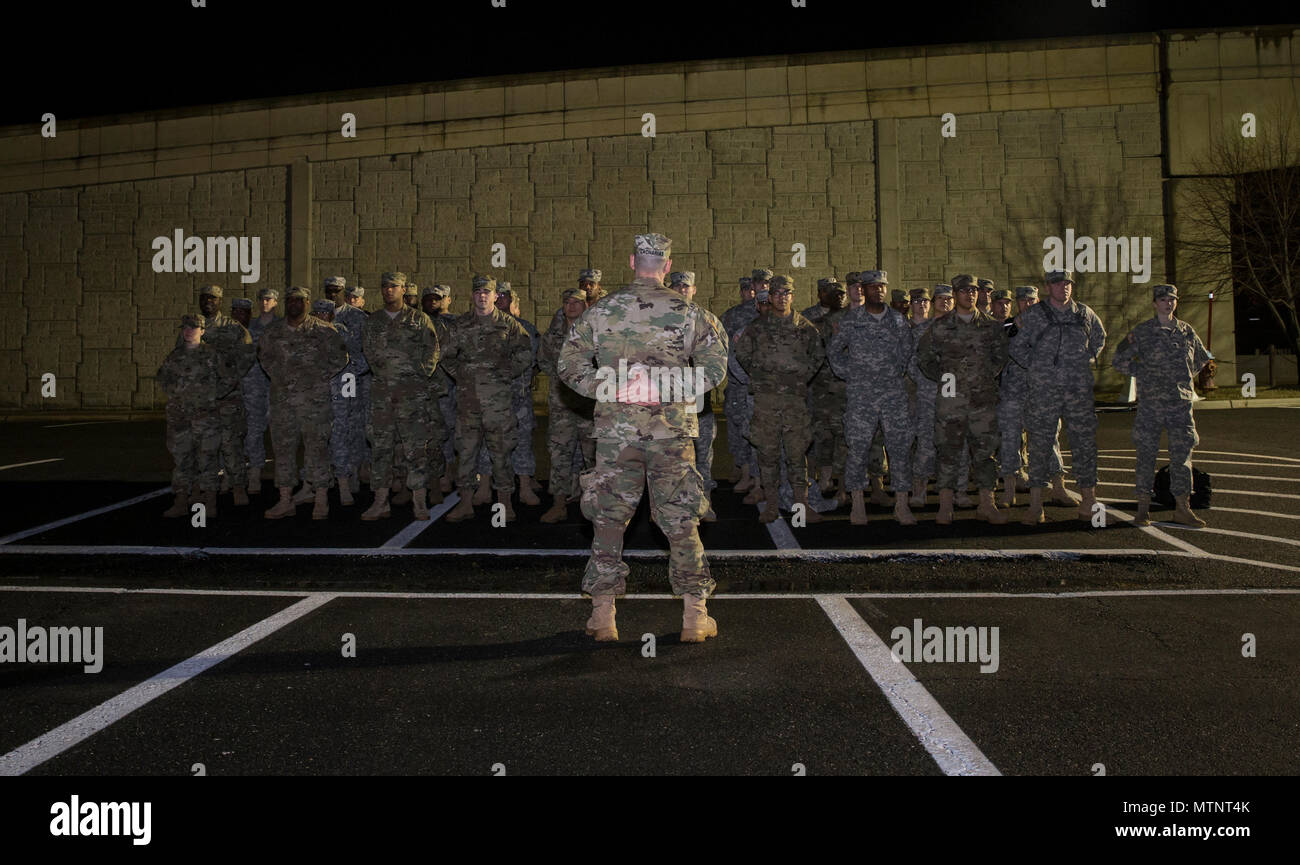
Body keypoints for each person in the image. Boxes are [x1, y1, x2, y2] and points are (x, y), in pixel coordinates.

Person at [557, 233, 728, 643]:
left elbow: (567, 363)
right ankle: (694, 615)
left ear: (633, 261)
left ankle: (602, 616)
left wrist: (612, 385)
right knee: (681, 521)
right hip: (670, 434)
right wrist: (664, 389)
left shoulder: (603, 311)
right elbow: (715, 367)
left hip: (618, 435)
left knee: (609, 520)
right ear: (667, 266)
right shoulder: (691, 312)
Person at [1010, 270, 1107, 524]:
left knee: (1084, 446)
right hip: (1045, 392)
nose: (1063, 287)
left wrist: (1085, 359)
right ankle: (1035, 506)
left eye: (1067, 283)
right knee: (1040, 446)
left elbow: (1099, 338)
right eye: (1057, 283)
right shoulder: (1034, 315)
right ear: (1047, 287)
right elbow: (1016, 346)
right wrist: (1037, 367)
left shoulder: (1084, 313)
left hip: (1077, 392)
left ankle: (1089, 502)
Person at [1111, 284, 1211, 527]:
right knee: (1146, 454)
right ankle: (1143, 509)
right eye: (1163, 299)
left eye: (1172, 299)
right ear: (1155, 303)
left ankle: (1182, 508)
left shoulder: (1186, 332)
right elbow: (1118, 360)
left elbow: (1200, 360)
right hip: (1152, 404)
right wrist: (1142, 372)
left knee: (1182, 456)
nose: (1168, 303)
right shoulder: (1143, 332)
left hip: (1180, 404)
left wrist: (1183, 380)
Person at [915, 275, 1008, 525]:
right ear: (955, 294)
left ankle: (987, 504)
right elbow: (924, 358)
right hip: (950, 398)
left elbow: (1000, 357)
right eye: (964, 290)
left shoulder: (990, 326)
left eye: (974, 290)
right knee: (947, 451)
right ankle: (945, 506)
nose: (970, 294)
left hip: (982, 399)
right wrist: (945, 378)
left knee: (985, 452)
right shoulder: (940, 326)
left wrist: (984, 377)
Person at [442, 275, 533, 523]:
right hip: (468, 402)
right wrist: (460, 374)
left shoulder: (508, 325)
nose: (482, 296)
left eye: (487, 292)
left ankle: (504, 505)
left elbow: (526, 351)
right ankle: (466, 504)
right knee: (467, 453)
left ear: (495, 296)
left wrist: (508, 371)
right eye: (477, 292)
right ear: (472, 296)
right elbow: (445, 354)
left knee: (501, 454)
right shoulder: (460, 325)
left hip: (498, 404)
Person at [828, 270, 917, 525]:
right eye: (872, 287)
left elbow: (907, 351)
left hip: (893, 395)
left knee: (899, 448)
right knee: (858, 448)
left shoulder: (898, 321)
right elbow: (834, 352)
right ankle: (857, 504)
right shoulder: (851, 320)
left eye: (882, 286)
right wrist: (851, 374)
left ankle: (902, 504)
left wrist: (893, 373)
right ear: (863, 290)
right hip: (861, 395)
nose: (878, 290)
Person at [735, 275, 825, 525]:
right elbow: (742, 353)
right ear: (770, 296)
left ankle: (801, 507)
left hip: (794, 402)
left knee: (797, 457)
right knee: (768, 455)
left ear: (792, 296)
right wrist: (760, 375)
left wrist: (801, 378)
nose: (781, 297)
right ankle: (771, 506)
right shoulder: (757, 327)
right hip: (766, 402)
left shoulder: (805, 327)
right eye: (776, 293)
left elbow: (817, 356)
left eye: (786, 293)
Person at [257, 287, 350, 520]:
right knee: (283, 451)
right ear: (285, 304)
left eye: (300, 301)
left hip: (314, 403)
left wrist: (316, 377)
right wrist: (280, 375)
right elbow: (264, 357)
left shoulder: (324, 330)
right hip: (283, 402)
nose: (294, 305)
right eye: (290, 301)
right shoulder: (273, 332)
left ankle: (320, 499)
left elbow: (341, 357)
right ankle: (285, 499)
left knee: (317, 450)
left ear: (307, 303)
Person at [361, 272, 440, 521]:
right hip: (382, 395)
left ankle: (419, 501)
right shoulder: (373, 321)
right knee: (381, 449)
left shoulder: (418, 319)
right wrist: (385, 374)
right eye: (385, 286)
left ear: (403, 289)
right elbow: (369, 352)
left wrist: (417, 377)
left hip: (411, 395)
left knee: (415, 448)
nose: (388, 291)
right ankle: (380, 501)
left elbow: (432, 350)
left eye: (394, 286)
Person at [179, 285, 255, 506]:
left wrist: (224, 385)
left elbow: (246, 359)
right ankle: (205, 491)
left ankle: (238, 488)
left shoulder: (234, 328)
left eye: (213, 299)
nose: (208, 302)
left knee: (232, 446)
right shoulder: (192, 327)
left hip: (227, 399)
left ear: (221, 301)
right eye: (204, 299)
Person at [157, 314, 238, 518]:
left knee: (208, 459)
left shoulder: (212, 355)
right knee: (182, 459)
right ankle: (181, 501)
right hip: (180, 417)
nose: (188, 331)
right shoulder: (175, 356)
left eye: (193, 328)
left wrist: (212, 396)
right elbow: (162, 377)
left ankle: (209, 503)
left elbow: (229, 379)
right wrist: (175, 393)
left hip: (206, 417)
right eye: (185, 327)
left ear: (202, 331)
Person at [538, 286, 597, 523]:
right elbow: (543, 360)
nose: (571, 306)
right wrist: (563, 379)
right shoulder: (553, 334)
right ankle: (559, 504)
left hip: (589, 405)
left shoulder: (596, 332)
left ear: (585, 306)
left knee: (593, 456)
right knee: (560, 454)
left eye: (577, 302)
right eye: (567, 302)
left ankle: (596, 506)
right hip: (561, 404)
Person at [668, 271, 723, 520]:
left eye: (686, 287)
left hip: (700, 404)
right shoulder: (660, 320)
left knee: (702, 456)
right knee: (669, 459)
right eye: (677, 286)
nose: (681, 290)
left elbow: (720, 356)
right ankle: (669, 506)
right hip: (668, 406)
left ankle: (705, 502)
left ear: (694, 289)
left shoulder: (707, 319)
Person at [310, 299, 364, 506]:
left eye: (326, 313)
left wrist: (348, 380)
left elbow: (359, 358)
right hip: (317, 394)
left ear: (333, 314)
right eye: (319, 312)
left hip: (340, 391)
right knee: (316, 440)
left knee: (341, 436)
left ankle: (344, 483)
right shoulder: (308, 333)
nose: (322, 316)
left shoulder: (343, 331)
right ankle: (315, 486)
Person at [810, 278, 849, 503]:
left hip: (846, 388)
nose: (838, 296)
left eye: (841, 293)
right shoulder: (814, 320)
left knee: (844, 436)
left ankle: (844, 485)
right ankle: (824, 480)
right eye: (832, 292)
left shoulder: (852, 319)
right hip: (821, 388)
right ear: (820, 294)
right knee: (822, 434)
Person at [721, 274, 761, 492]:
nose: (752, 292)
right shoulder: (732, 316)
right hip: (740, 384)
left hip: (765, 386)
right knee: (740, 429)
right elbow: (725, 351)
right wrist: (742, 378)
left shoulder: (770, 313)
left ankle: (757, 477)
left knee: (759, 433)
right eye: (748, 289)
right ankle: (744, 469)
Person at [243, 288, 279, 496]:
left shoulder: (283, 326)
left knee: (281, 433)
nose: (265, 303)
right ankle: (255, 472)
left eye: (269, 300)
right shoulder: (250, 327)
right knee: (254, 431)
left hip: (277, 386)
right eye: (262, 300)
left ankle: (281, 474)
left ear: (275, 302)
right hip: (255, 385)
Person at [905, 286, 937, 506]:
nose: (922, 304)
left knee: (926, 440)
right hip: (904, 392)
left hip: (928, 391)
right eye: (917, 301)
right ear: (910, 304)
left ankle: (920, 487)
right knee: (904, 441)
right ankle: (903, 484)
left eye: (925, 301)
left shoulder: (937, 327)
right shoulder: (901, 328)